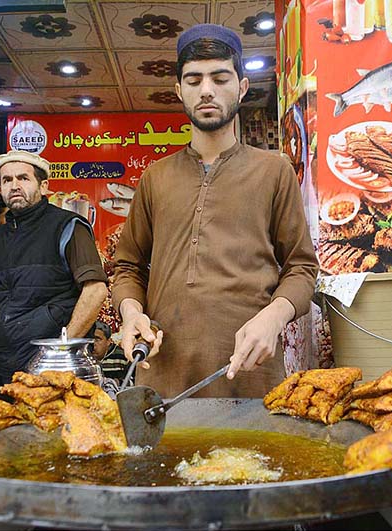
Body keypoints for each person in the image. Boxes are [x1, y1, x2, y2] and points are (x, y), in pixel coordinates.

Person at [111, 24, 318, 398]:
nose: (206, 90)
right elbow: (127, 266)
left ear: (241, 87)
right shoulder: (155, 178)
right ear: (179, 91)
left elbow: (302, 268)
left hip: (249, 376)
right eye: (193, 80)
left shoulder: (275, 171)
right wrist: (131, 312)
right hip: (164, 376)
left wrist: (275, 316)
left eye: (220, 78)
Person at [0, 150, 108, 383]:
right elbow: (0, 295)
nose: (14, 185)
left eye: (23, 178)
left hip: (56, 373)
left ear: (43, 186)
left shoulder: (67, 227)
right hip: (7, 367)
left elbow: (96, 290)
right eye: (7, 180)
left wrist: (59, 354)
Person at [91, 321, 130, 387]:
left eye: (97, 339)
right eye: (90, 339)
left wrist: (115, 383)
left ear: (108, 341)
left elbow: (133, 381)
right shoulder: (83, 355)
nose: (93, 343)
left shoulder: (121, 356)